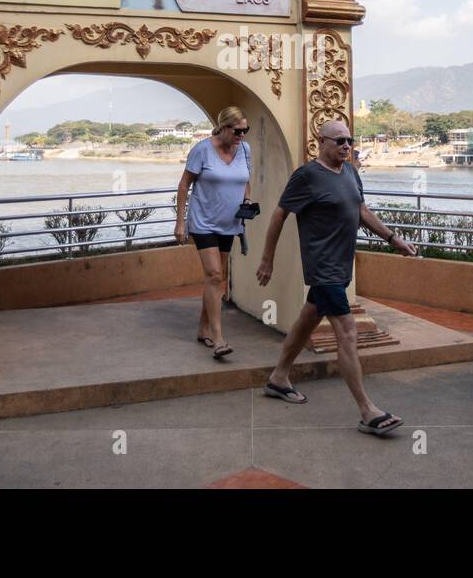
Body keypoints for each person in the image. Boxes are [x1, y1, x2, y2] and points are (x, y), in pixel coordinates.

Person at [257, 120, 418, 436]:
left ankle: (278, 378)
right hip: (322, 267)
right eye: (341, 141)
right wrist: (267, 259)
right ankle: (367, 411)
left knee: (308, 319)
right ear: (322, 142)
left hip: (341, 267)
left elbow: (363, 211)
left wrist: (393, 238)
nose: (347, 146)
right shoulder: (306, 177)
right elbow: (279, 215)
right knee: (347, 331)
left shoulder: (350, 172)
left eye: (350, 140)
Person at [175, 106, 252, 360]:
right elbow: (184, 184)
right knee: (214, 274)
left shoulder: (244, 149)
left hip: (230, 223)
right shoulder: (202, 150)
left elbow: (245, 179)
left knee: (219, 277)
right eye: (239, 130)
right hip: (204, 221)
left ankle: (203, 328)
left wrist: (247, 201)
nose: (242, 135)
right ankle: (218, 338)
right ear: (224, 128)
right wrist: (180, 222)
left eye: (246, 130)